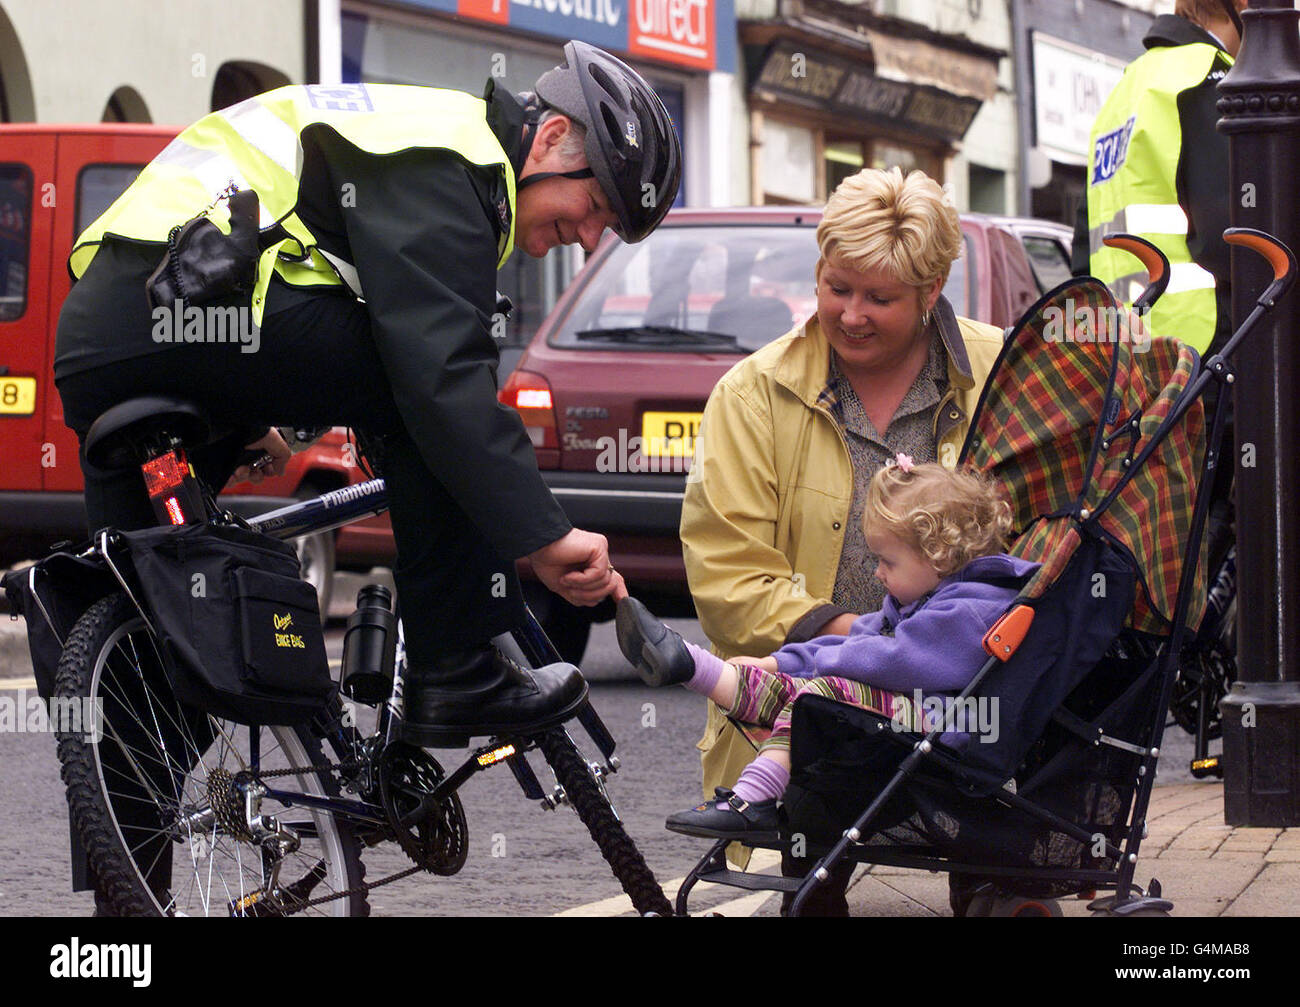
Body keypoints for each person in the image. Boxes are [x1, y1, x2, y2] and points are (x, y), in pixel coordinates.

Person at [55, 41, 681, 744]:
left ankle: (127, 826)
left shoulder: (404, 128)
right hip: (186, 311)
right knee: (425, 389)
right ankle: (455, 669)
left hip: (105, 340)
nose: (591, 236)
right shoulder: (455, 153)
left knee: (144, 672)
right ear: (555, 136)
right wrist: (545, 535)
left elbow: (288, 247)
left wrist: (253, 408)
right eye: (596, 204)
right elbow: (439, 377)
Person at [675, 165, 1003, 912]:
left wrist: (946, 644)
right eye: (836, 287)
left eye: (879, 298)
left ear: (931, 292)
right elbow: (730, 574)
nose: (850, 314)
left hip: (967, 699)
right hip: (815, 720)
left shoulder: (997, 373)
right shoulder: (752, 393)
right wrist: (870, 643)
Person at [619, 459, 1037, 838]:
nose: (877, 574)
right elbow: (856, 640)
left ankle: (756, 796)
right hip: (907, 714)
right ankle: (693, 665)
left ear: (939, 555)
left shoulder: (970, 609)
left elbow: (891, 660)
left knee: (823, 697)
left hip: (942, 727)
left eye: (887, 562)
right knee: (806, 689)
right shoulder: (923, 598)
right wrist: (776, 662)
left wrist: (818, 666)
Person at [1072, 0, 1248, 357]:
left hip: (1126, 356)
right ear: (1242, 5)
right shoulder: (1210, 76)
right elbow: (1230, 234)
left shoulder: (1124, 92)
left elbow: (1083, 249)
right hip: (1204, 350)